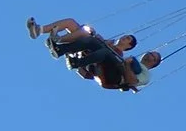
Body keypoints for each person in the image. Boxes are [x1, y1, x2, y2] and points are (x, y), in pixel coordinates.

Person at [28, 17, 162, 91]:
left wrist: (102, 42)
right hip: (92, 54)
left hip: (107, 71)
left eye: (127, 39)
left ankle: (59, 42)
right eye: (125, 36)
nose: (150, 55)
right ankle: (39, 30)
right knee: (72, 23)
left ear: (128, 47)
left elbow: (130, 79)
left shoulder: (122, 58)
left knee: (94, 42)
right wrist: (99, 38)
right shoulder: (109, 45)